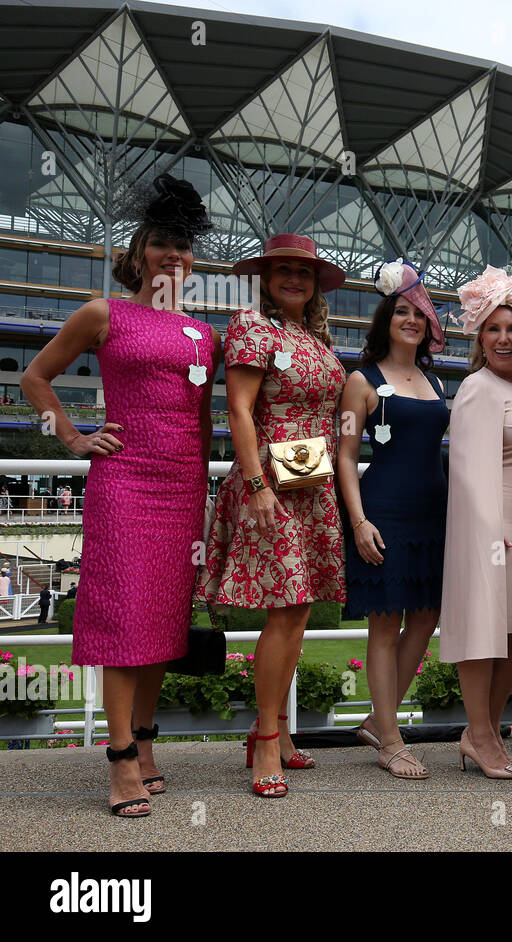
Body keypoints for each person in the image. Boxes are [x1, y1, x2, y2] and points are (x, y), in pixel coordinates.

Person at [20, 173, 218, 817]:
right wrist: (72, 440)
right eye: (162, 243)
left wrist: (211, 491)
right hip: (126, 485)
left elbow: (204, 422)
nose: (174, 256)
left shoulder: (200, 333)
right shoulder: (104, 312)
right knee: (127, 615)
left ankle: (149, 741)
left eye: (184, 247)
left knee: (164, 620)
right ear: (138, 252)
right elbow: (35, 379)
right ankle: (119, 758)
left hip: (185, 489)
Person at [201, 233, 348, 798]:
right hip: (269, 479)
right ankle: (264, 739)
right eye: (283, 270)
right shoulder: (251, 325)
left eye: (304, 273)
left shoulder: (314, 338)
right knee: (285, 607)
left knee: (300, 609)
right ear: (264, 277)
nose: (295, 279)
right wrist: (257, 485)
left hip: (310, 482)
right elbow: (237, 407)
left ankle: (280, 732)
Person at [337, 258, 450, 780]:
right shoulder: (361, 380)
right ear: (386, 319)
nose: (411, 320)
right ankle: (391, 739)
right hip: (382, 511)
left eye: (419, 315)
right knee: (385, 625)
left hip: (434, 513)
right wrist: (358, 521)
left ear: (429, 327)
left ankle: (376, 721)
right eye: (401, 312)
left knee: (425, 619)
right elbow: (344, 455)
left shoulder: (435, 381)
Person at [439, 266, 512, 779]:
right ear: (481, 337)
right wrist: (490, 534)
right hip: (493, 528)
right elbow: (467, 470)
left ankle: (490, 732)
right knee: (484, 631)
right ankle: (477, 734)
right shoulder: (478, 388)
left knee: (510, 636)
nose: (503, 338)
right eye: (493, 329)